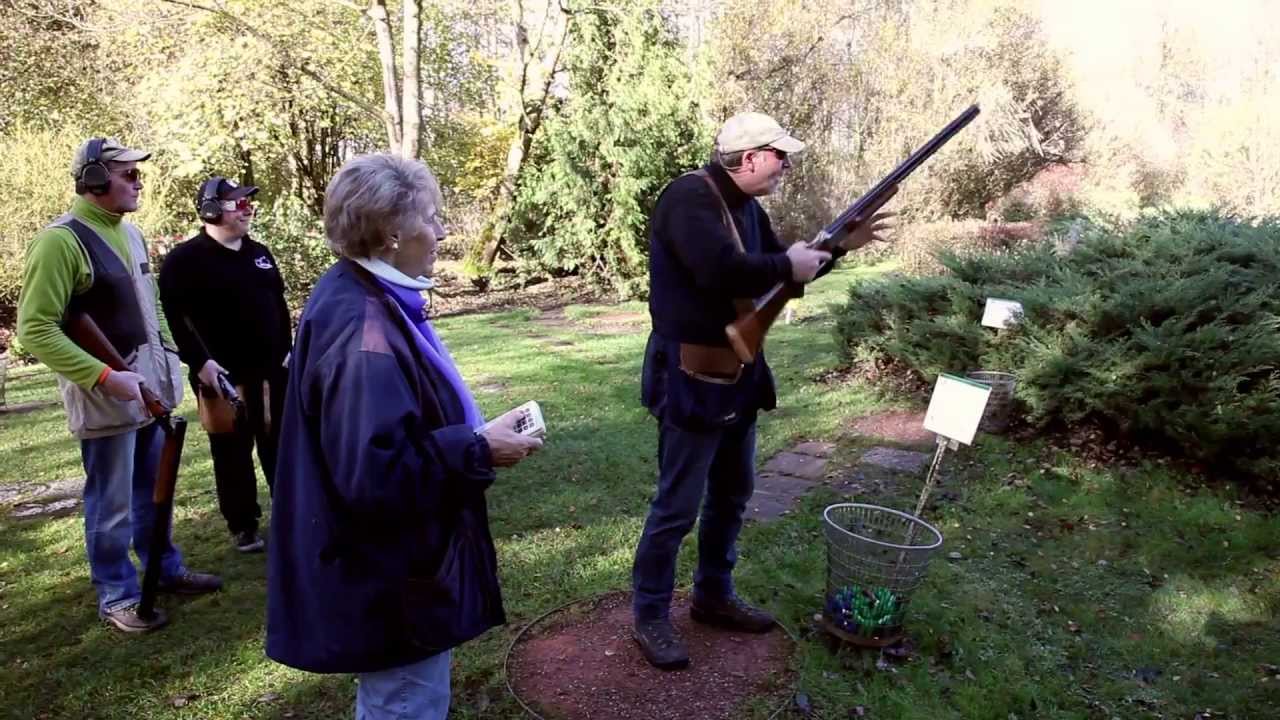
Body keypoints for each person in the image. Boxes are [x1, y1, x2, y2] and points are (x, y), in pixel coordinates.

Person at [265, 153, 543, 719]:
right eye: (433, 218)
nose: (441, 233)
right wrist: (478, 448)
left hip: (388, 566)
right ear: (393, 233)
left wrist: (473, 436)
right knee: (405, 703)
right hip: (388, 577)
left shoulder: (360, 293)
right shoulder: (362, 325)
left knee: (398, 697)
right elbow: (375, 475)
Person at [631, 113, 892, 669]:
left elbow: (776, 276)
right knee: (676, 507)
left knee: (732, 495)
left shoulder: (749, 208)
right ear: (749, 158)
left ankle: (713, 596)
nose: (787, 165)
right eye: (780, 155)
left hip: (738, 372)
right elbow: (720, 271)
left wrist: (840, 247)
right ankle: (650, 615)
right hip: (692, 375)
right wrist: (786, 262)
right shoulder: (688, 197)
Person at [15, 137, 223, 633]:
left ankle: (164, 570)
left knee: (155, 491)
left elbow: (151, 312)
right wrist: (106, 375)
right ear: (94, 179)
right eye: (127, 174)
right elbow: (35, 329)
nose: (138, 182)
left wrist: (175, 358)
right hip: (104, 395)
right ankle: (118, 595)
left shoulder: (130, 235)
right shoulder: (59, 241)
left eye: (137, 173)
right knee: (109, 506)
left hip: (148, 388)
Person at [159, 176, 292, 553]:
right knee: (230, 454)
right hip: (222, 378)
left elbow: (279, 308)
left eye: (248, 202)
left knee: (280, 448)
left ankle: (290, 516)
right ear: (212, 209)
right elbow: (175, 319)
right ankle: (243, 525)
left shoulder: (260, 252)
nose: (247, 209)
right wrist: (200, 363)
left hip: (272, 373)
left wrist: (288, 352)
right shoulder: (183, 261)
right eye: (238, 203)